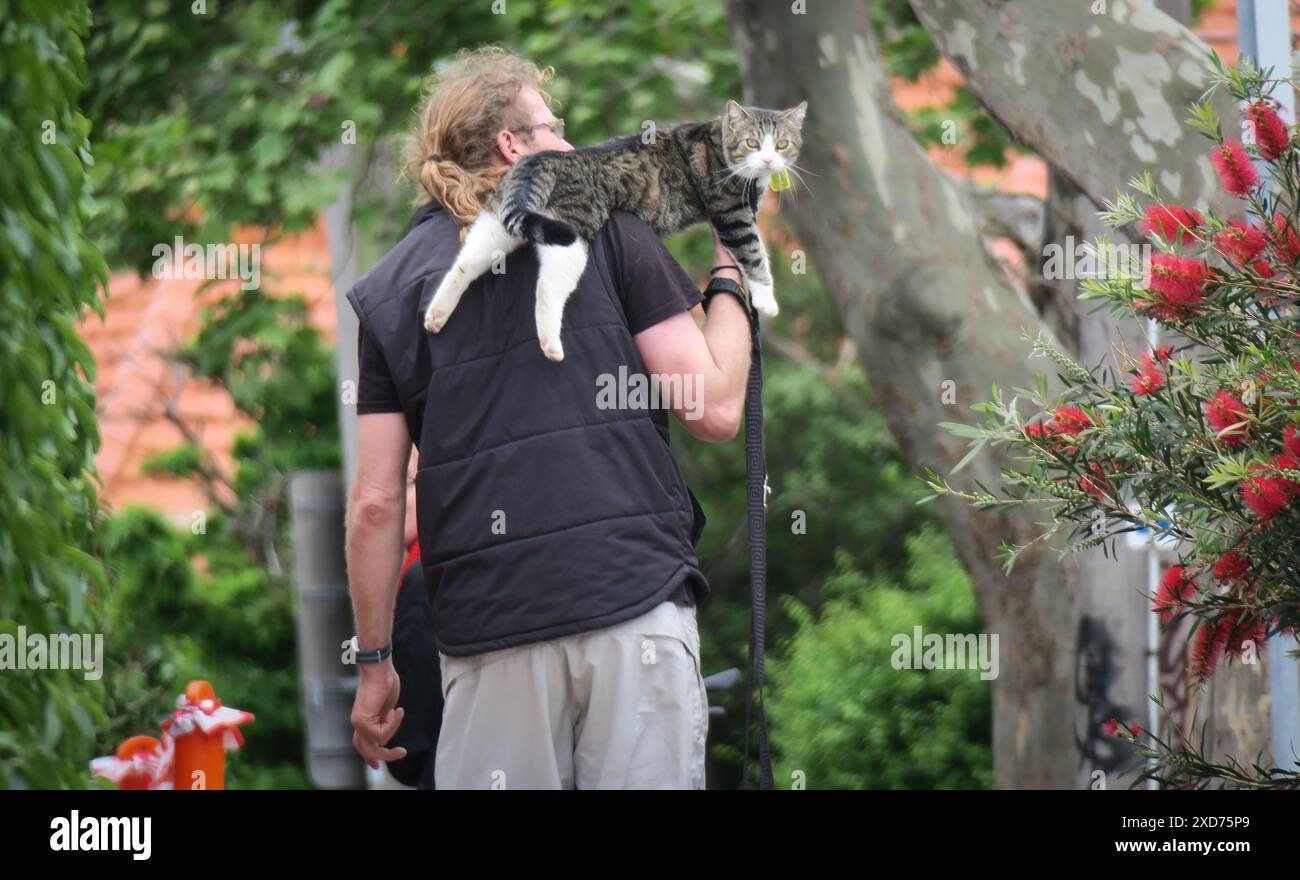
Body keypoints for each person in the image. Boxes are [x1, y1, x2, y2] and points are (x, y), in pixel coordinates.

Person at [344, 46, 753, 790]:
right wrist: (732, 268)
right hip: (632, 606)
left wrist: (375, 665)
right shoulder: (610, 227)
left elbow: (375, 504)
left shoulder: (389, 290)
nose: (570, 143)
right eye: (555, 128)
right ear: (512, 145)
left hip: (489, 633)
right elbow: (716, 408)